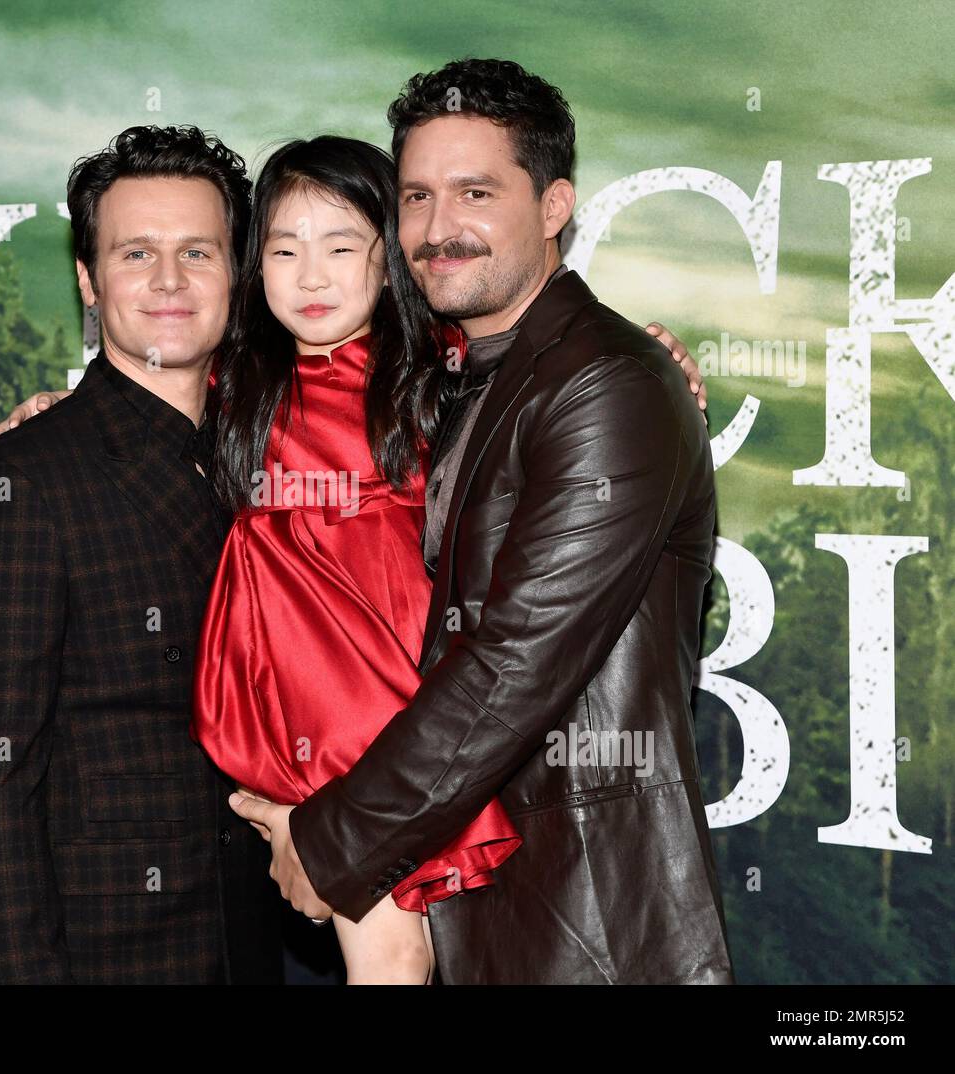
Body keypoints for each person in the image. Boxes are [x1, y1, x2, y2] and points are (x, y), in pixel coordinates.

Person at [230, 57, 737, 984]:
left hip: (583, 923)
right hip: (462, 907)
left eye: (475, 192)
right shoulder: (447, 375)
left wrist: (333, 840)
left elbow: (512, 665)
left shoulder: (608, 382)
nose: (437, 228)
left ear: (554, 208)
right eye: (416, 197)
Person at [0, 125, 282, 984]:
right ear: (88, 280)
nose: (169, 280)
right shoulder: (16, 486)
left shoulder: (274, 463)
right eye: (135, 253)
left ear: (237, 273)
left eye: (197, 251)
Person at [190, 136, 522, 985]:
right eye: (284, 250)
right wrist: (45, 405)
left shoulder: (430, 371)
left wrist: (657, 353)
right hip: (294, 670)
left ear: (388, 267)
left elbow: (551, 373)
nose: (311, 276)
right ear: (251, 264)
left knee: (403, 946)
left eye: (341, 249)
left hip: (386, 677)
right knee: (387, 942)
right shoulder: (234, 378)